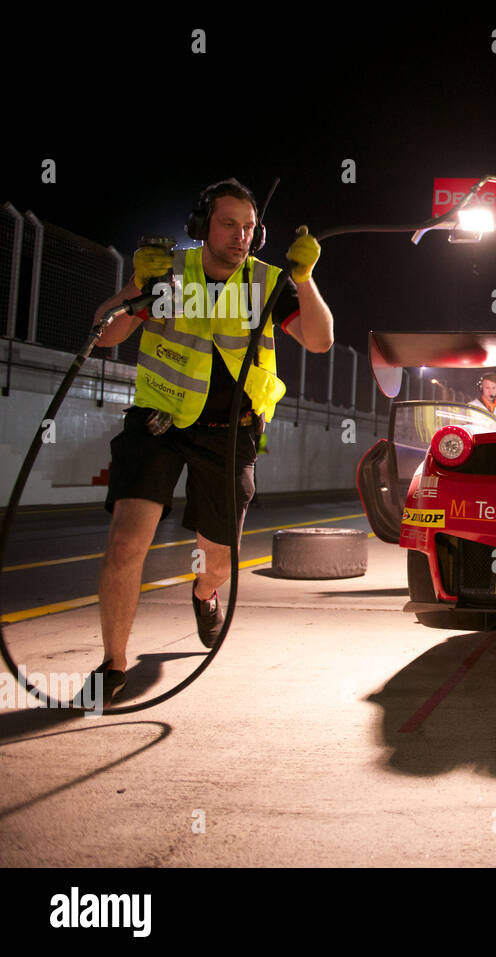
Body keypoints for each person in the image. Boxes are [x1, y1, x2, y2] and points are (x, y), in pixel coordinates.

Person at [88, 179, 335, 701]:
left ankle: (204, 592)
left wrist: (305, 279)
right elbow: (102, 333)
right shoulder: (168, 273)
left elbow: (320, 340)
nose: (240, 236)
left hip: (230, 435)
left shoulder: (268, 282)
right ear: (203, 226)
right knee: (126, 542)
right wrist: (136, 287)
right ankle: (112, 664)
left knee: (217, 560)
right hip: (158, 424)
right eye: (228, 224)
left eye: (249, 227)